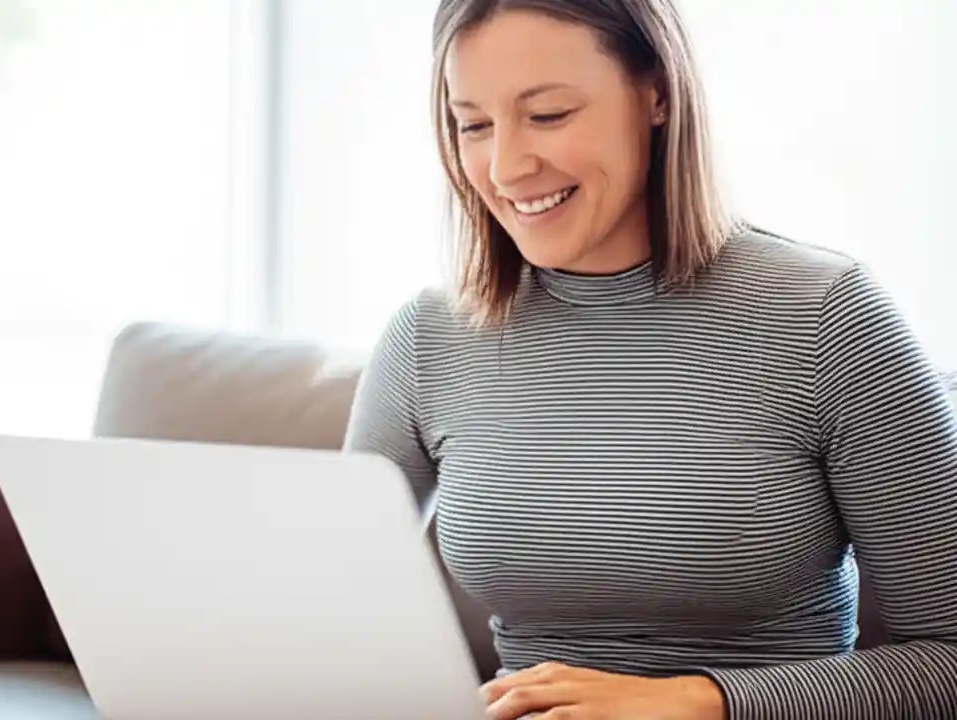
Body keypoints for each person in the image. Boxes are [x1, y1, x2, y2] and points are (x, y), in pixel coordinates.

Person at [343, 1, 957, 718]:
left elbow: (947, 653)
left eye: (548, 116)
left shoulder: (825, 315)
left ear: (656, 94)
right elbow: (331, 615)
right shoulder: (429, 338)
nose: (505, 166)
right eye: (473, 124)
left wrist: (698, 702)